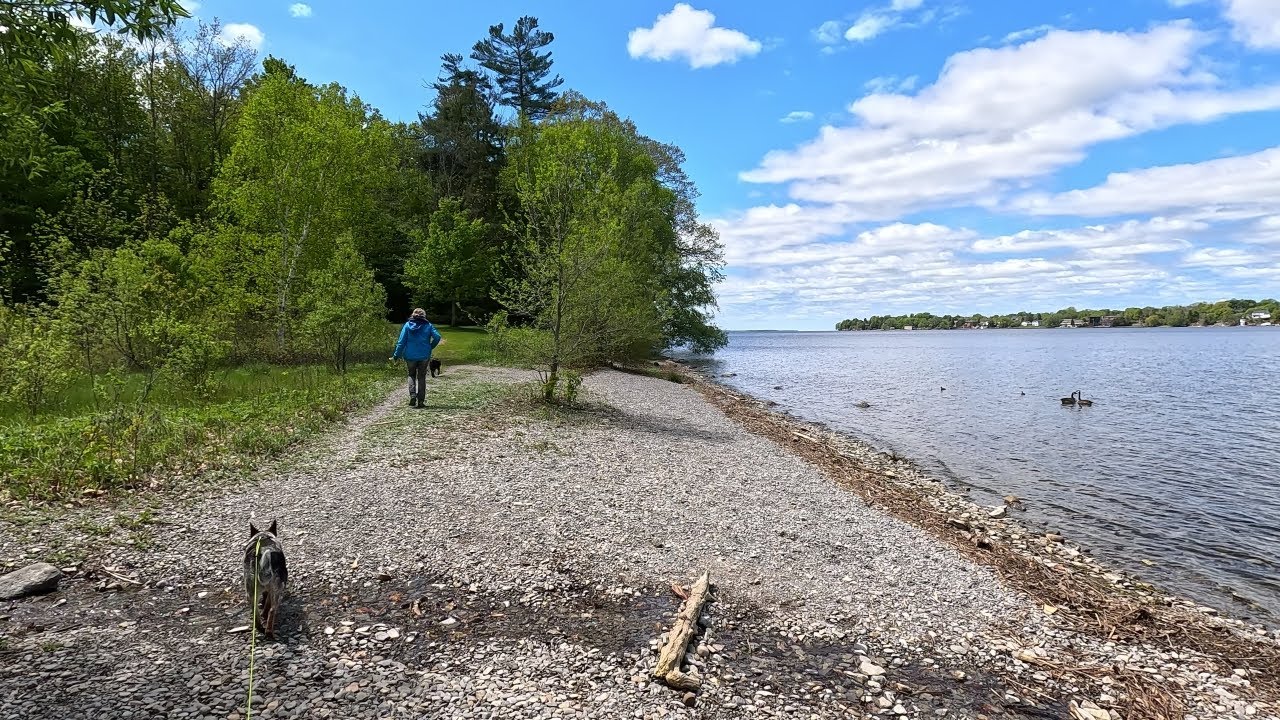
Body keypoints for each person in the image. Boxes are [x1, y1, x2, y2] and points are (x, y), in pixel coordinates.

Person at [391, 308, 443, 408]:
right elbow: (437, 337)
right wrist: (430, 346)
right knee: (421, 377)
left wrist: (396, 355)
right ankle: (421, 401)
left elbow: (401, 342)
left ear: (413, 315)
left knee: (411, 375)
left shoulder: (407, 325)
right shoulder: (428, 325)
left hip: (410, 356)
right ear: (424, 316)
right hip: (424, 355)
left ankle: (413, 396)